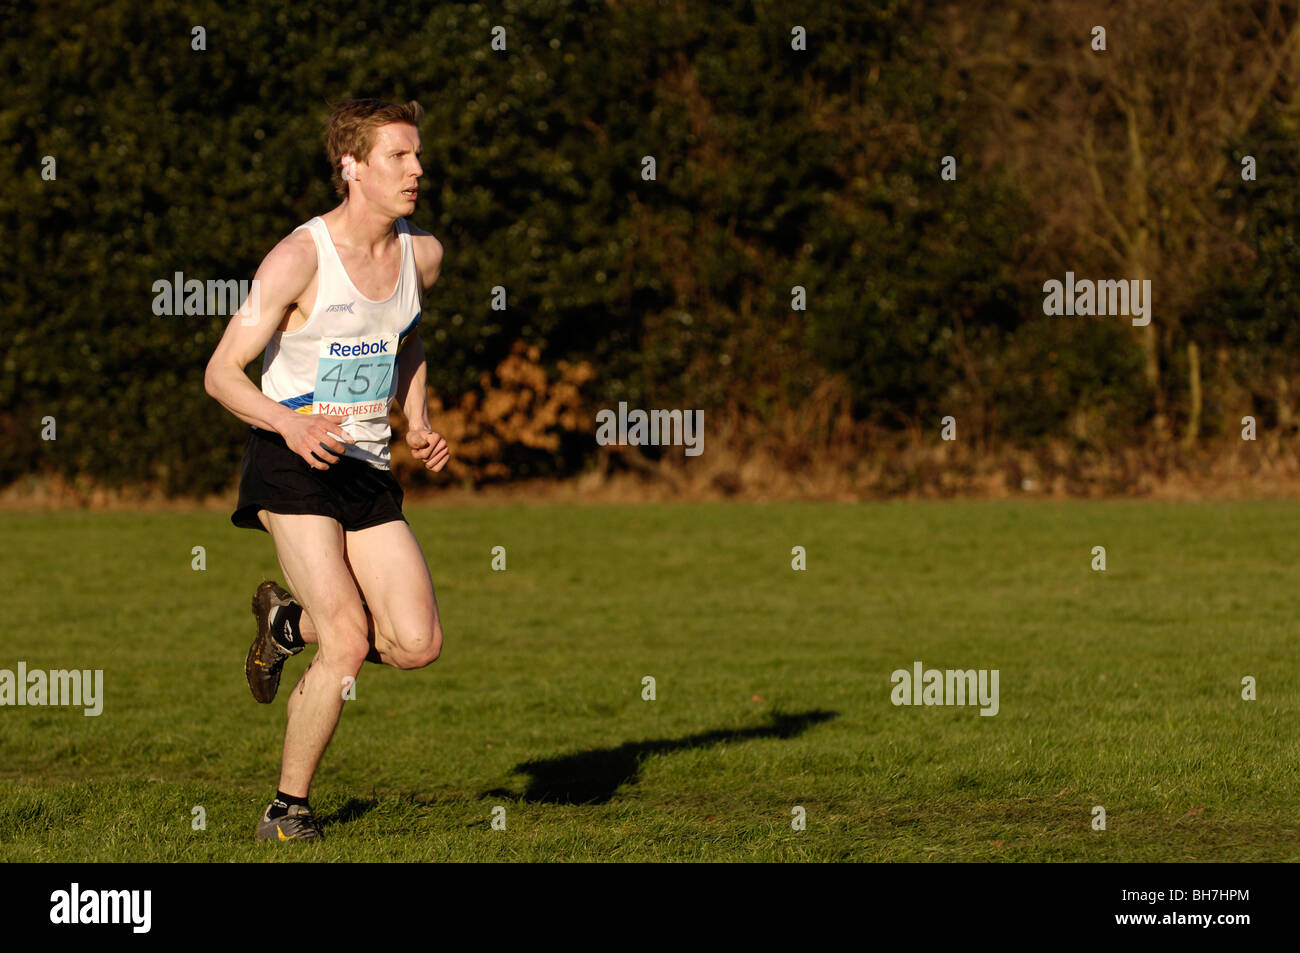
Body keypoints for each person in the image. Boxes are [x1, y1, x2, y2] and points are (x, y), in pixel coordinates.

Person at [204, 98, 449, 841]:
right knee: (346, 636)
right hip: (290, 456)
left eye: (416, 154)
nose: (416, 169)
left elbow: (402, 339)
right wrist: (288, 422)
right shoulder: (299, 258)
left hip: (366, 464)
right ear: (352, 167)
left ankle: (286, 621)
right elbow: (222, 372)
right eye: (397, 156)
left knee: (416, 642)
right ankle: (288, 808)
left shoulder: (423, 255)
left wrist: (419, 418)